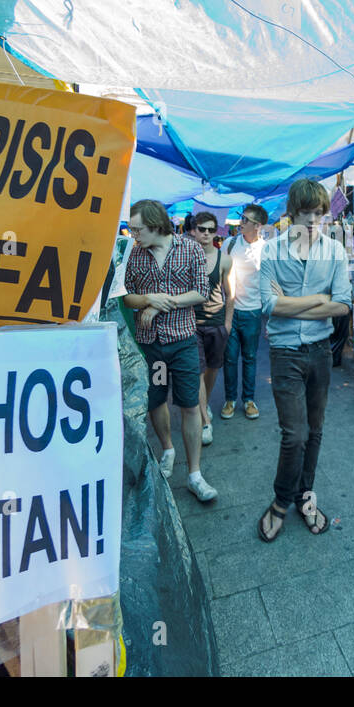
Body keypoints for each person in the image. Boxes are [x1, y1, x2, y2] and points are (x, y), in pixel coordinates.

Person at [256, 180, 351, 542]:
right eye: (305, 213)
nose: (312, 220)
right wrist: (318, 298)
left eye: (318, 213)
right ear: (292, 213)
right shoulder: (272, 252)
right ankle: (281, 501)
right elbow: (269, 306)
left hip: (320, 352)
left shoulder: (335, 252)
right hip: (284, 354)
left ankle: (305, 495)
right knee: (294, 435)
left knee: (315, 431)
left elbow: (342, 305)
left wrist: (293, 304)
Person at [122, 199, 218, 502]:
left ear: (155, 225)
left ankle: (194, 474)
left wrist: (166, 301)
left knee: (190, 405)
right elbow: (127, 297)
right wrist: (149, 299)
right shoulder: (134, 254)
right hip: (152, 344)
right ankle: (167, 449)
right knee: (157, 399)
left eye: (138, 229)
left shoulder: (189, 248)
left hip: (183, 342)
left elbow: (201, 292)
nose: (134, 234)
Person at [187, 212, 233, 445]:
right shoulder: (184, 257)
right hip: (191, 324)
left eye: (210, 230)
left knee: (212, 369)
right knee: (197, 372)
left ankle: (204, 404)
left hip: (216, 324)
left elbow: (229, 294)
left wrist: (227, 323)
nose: (206, 234)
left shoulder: (224, 259)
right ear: (193, 230)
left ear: (216, 232)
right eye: (201, 229)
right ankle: (205, 421)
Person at [220, 204, 268, 421]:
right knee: (229, 358)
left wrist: (271, 317)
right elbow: (220, 274)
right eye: (241, 218)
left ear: (258, 225)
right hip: (230, 311)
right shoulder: (229, 244)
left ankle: (248, 399)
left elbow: (271, 282)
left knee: (249, 357)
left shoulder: (267, 249)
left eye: (246, 220)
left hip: (253, 312)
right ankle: (230, 399)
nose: (241, 222)